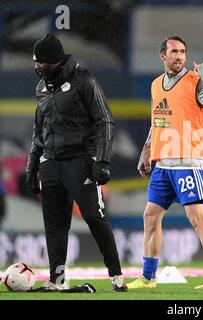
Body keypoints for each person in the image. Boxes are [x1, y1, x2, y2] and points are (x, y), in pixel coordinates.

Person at [128, 36, 203, 290]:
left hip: (188, 162)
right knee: (150, 216)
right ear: (163, 56)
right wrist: (147, 150)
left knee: (197, 217)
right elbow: (157, 121)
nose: (180, 57)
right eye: (174, 52)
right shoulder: (155, 85)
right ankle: (148, 277)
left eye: (183, 52)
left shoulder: (196, 81)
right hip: (163, 164)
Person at [26, 33, 127, 292]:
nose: (36, 67)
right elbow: (39, 129)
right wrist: (32, 164)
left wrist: (102, 160)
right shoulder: (41, 88)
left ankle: (116, 276)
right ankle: (56, 279)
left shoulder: (84, 80)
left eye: (40, 62)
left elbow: (104, 120)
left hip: (80, 161)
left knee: (94, 216)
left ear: (54, 61)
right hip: (51, 164)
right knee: (55, 225)